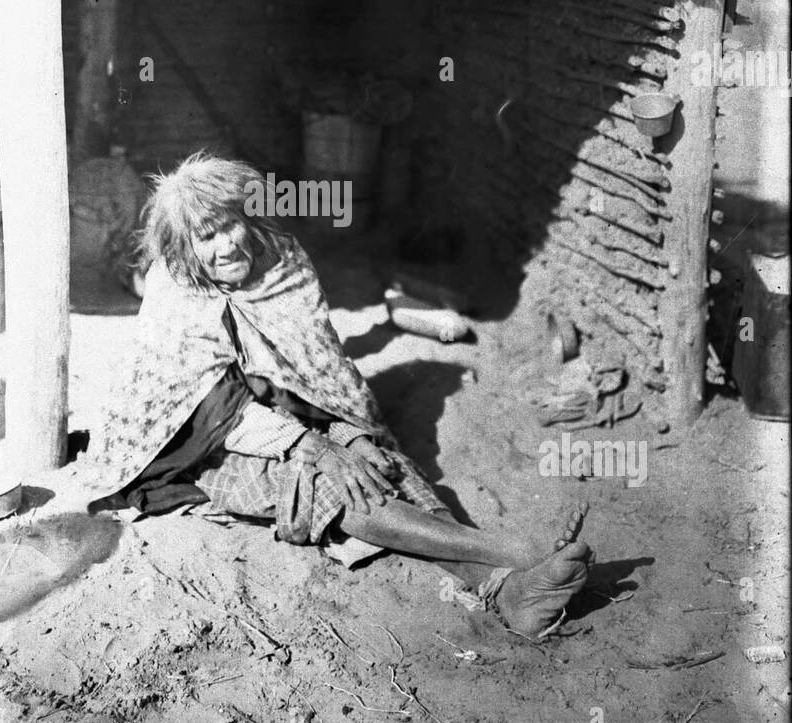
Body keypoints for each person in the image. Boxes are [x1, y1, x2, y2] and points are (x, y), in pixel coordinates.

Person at [87, 153, 593, 640]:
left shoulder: (283, 263)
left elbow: (323, 374)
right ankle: (513, 552)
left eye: (229, 226)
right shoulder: (174, 288)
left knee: (382, 465)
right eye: (205, 237)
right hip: (197, 442)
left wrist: (350, 435)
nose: (224, 247)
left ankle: (506, 594)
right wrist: (315, 447)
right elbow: (210, 405)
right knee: (325, 487)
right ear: (184, 248)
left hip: (281, 409)